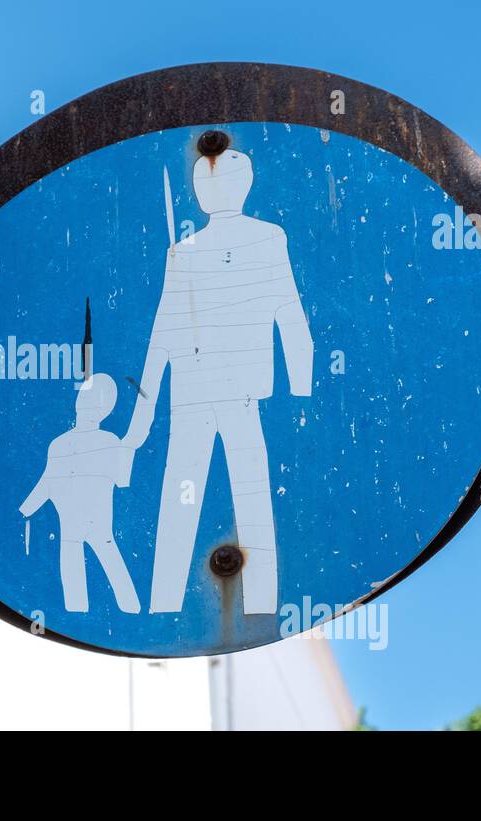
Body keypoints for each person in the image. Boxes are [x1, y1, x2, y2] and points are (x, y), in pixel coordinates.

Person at [124, 130, 314, 616]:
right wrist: (142, 415)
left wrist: (303, 389)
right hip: (207, 393)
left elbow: (290, 316)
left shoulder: (257, 240)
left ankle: (206, 605)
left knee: (199, 496)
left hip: (222, 392)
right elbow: (163, 334)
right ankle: (172, 605)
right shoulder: (185, 252)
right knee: (220, 497)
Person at [20, 373, 141, 613]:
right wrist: (24, 511)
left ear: (106, 409)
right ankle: (95, 615)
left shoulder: (109, 441)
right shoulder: (59, 444)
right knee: (74, 584)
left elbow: (122, 481)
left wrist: (129, 447)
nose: (88, 404)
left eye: (98, 400)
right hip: (70, 525)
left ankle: (132, 611)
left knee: (111, 570)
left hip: (99, 525)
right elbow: (47, 483)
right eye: (86, 396)